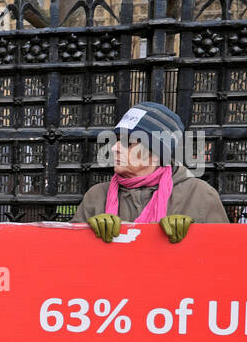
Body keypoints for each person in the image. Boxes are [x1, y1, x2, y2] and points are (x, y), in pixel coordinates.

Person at [76, 101, 228, 243]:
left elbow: (221, 252)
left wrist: (191, 236)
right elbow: (71, 255)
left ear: (156, 154)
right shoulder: (96, 195)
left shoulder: (200, 195)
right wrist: (87, 233)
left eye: (127, 143)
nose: (115, 148)